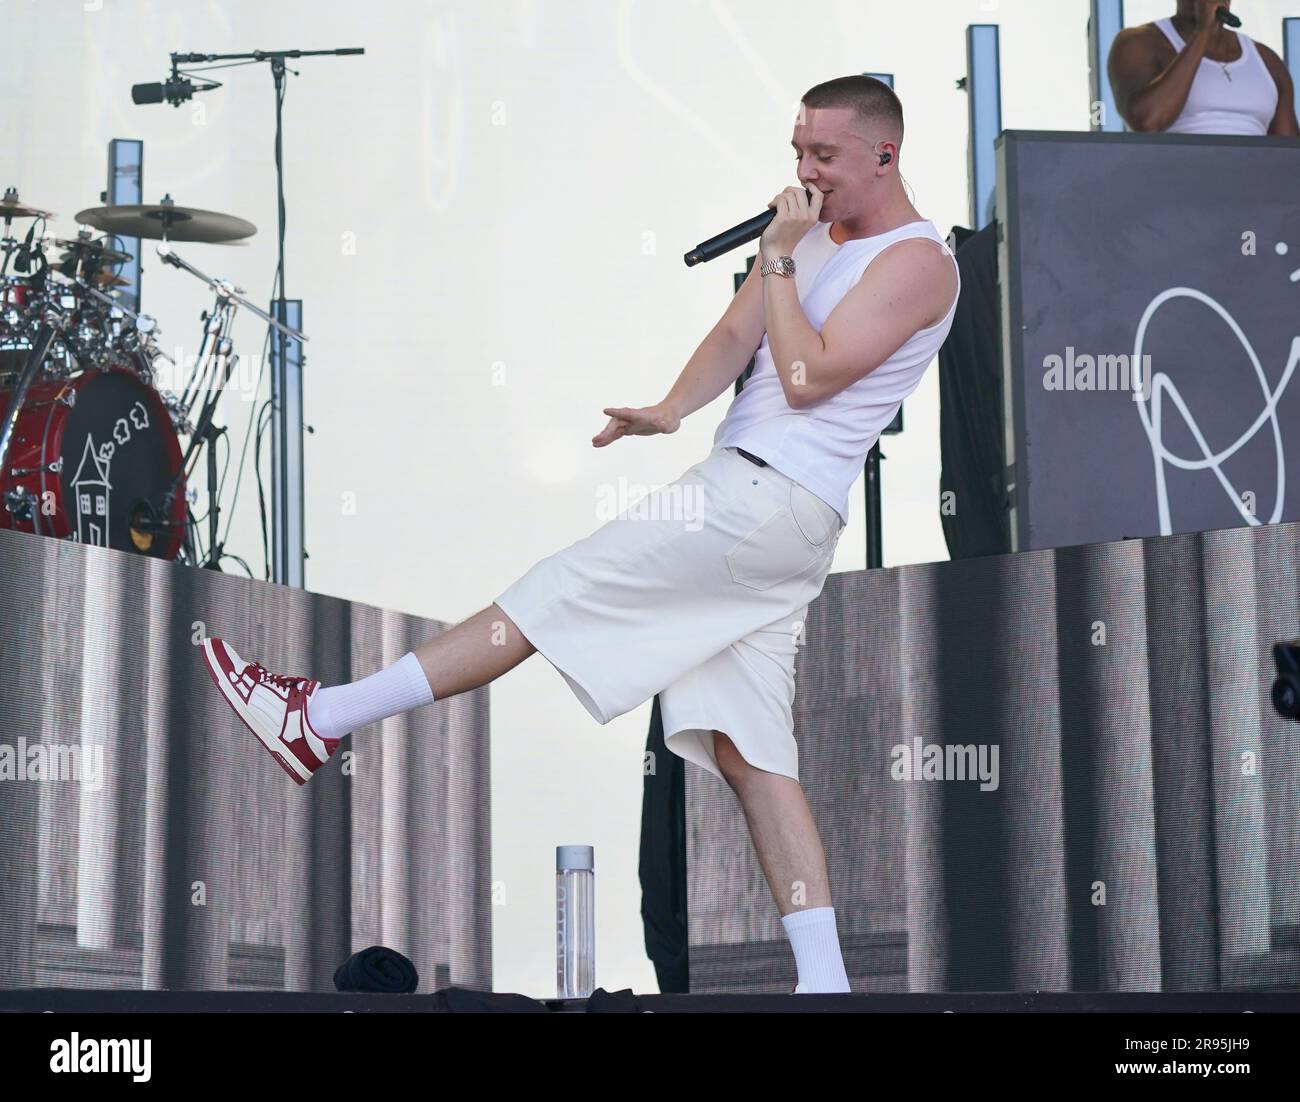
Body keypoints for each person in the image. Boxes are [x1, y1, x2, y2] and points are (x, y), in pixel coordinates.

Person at [200, 74, 960, 995]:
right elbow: (737, 335)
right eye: (798, 150)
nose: (804, 171)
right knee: (750, 749)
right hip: (766, 511)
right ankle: (828, 983)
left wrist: (783, 256)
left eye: (825, 157)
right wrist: (672, 408)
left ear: (886, 154)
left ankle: (317, 719)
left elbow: (804, 377)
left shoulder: (918, 262)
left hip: (761, 502)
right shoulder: (815, 243)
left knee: (543, 599)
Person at [1108, 0, 1299, 135]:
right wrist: (1203, 33)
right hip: (1177, 180)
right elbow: (1148, 121)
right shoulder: (1139, 41)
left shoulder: (1266, 60)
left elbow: (1289, 157)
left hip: (1253, 183)